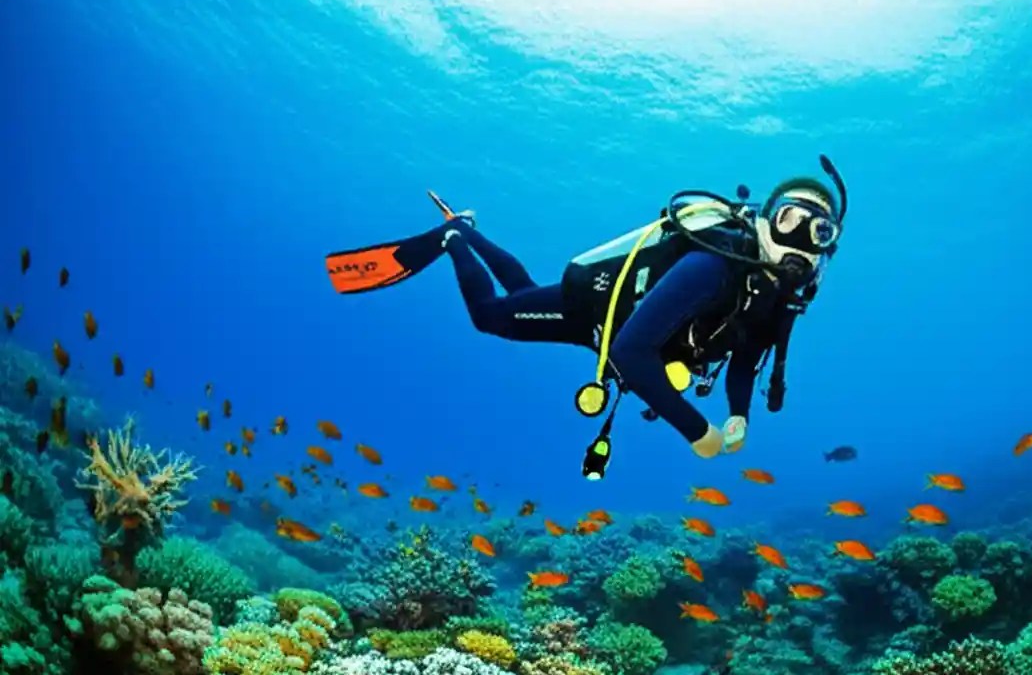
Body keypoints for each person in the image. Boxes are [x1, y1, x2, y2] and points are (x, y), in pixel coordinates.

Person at [325, 155, 848, 479]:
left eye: (819, 232)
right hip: (595, 315)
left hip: (619, 331)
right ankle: (454, 238)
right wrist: (698, 433)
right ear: (764, 221)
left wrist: (739, 416)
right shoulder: (714, 264)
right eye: (791, 220)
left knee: (524, 291)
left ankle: (467, 226)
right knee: (490, 316)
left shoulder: (779, 301)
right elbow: (630, 352)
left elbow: (746, 360)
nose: (803, 240)